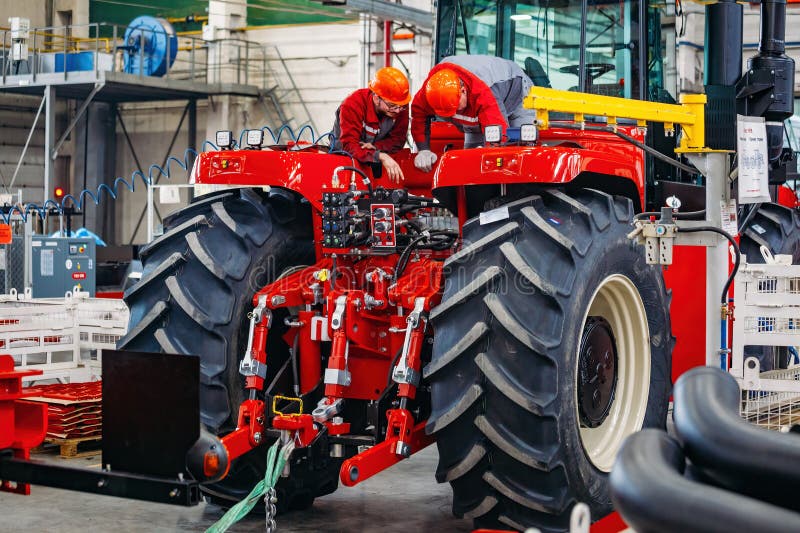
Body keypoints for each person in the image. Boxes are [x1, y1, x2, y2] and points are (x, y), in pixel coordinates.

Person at [411, 55, 536, 172]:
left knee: (520, 152)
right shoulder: (430, 92)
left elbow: (498, 135)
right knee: (471, 161)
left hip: (517, 93)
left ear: (463, 91)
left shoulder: (483, 92)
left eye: (455, 107)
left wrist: (491, 151)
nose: (454, 114)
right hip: (477, 108)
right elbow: (418, 116)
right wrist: (423, 150)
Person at [332, 66, 410, 183]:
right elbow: (349, 146)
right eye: (392, 106)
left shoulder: (399, 104)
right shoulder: (352, 105)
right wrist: (380, 156)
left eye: (401, 106)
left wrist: (376, 147)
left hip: (375, 165)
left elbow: (397, 141)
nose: (398, 111)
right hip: (344, 161)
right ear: (376, 98)